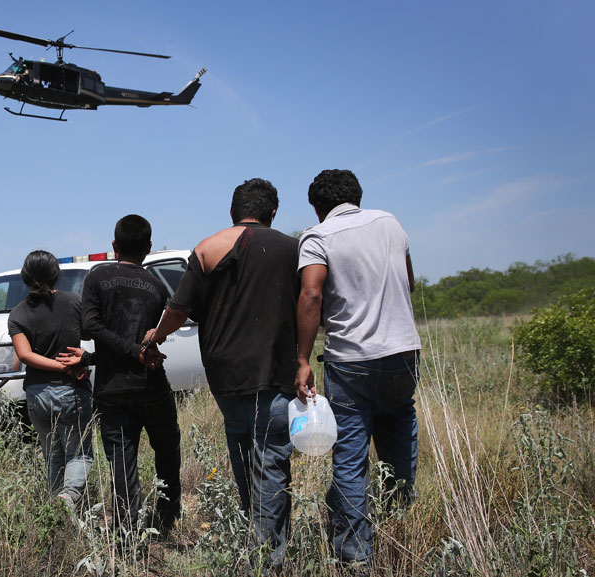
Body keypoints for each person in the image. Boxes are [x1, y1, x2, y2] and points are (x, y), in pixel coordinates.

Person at [144, 178, 299, 569]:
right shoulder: (292, 249)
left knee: (247, 461)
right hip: (276, 375)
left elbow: (178, 310)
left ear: (233, 212)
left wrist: (155, 336)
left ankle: (261, 550)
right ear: (273, 212)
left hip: (226, 378)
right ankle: (268, 557)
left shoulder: (208, 247)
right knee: (271, 465)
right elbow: (312, 301)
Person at [294, 169, 421, 567]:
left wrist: (302, 358)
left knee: (350, 456)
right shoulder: (390, 222)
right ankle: (400, 525)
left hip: (351, 359)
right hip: (403, 353)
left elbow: (312, 293)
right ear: (358, 196)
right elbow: (410, 281)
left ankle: (355, 556)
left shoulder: (318, 237)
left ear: (317, 207)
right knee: (399, 432)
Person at [68, 214, 181, 538]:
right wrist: (137, 351)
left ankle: (127, 533)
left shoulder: (97, 276)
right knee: (167, 448)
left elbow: (91, 327)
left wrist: (91, 357)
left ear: (114, 245)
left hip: (111, 389)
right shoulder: (158, 286)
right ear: (148, 247)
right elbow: (148, 340)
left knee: (121, 461)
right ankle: (168, 515)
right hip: (151, 385)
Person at [7, 250, 94, 506]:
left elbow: (24, 355)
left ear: (25, 277)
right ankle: (67, 499)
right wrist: (67, 367)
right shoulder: (73, 302)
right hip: (70, 391)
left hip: (36, 395)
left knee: (52, 456)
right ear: (56, 275)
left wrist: (56, 366)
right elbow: (89, 334)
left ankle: (55, 511)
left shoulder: (18, 314)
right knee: (79, 455)